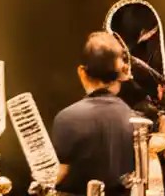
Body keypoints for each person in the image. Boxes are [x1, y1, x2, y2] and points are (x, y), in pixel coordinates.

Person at [51, 32, 137, 196]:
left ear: (82, 72)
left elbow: (54, 178)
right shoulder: (135, 120)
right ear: (121, 73)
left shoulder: (66, 119)